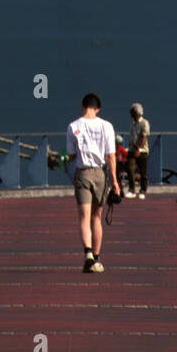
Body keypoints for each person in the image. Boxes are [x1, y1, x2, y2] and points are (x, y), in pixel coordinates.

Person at [65, 92, 119, 273]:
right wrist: (115, 181)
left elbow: (71, 155)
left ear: (82, 107)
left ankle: (87, 254)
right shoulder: (107, 126)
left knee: (84, 217)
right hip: (101, 174)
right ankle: (96, 258)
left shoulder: (73, 126)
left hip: (83, 173)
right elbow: (111, 156)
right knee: (97, 218)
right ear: (98, 109)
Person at [124, 102, 150, 199]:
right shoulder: (133, 124)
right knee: (130, 169)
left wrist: (140, 149)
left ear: (136, 113)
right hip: (132, 150)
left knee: (143, 172)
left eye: (132, 112)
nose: (130, 114)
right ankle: (132, 190)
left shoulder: (144, 123)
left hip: (142, 151)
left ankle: (143, 190)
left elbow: (144, 137)